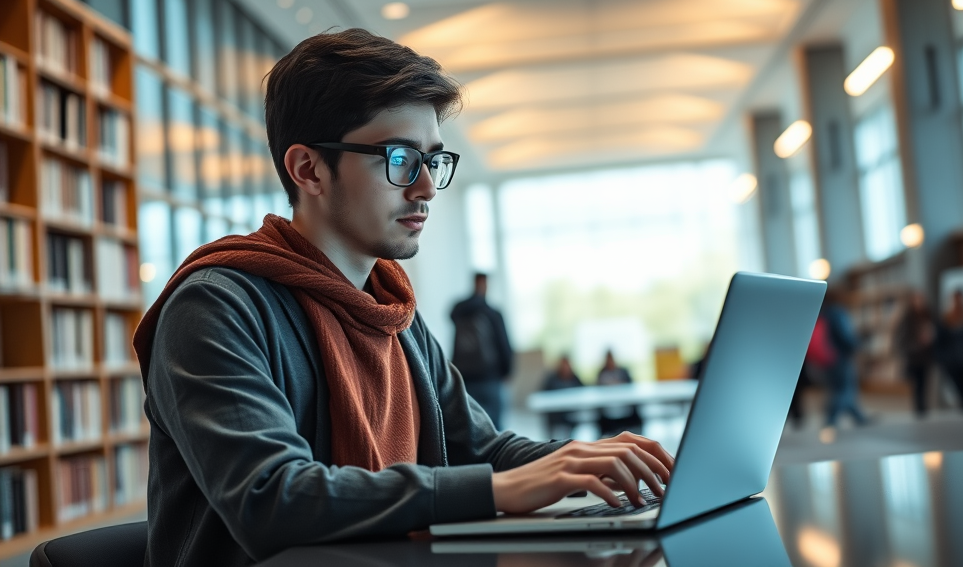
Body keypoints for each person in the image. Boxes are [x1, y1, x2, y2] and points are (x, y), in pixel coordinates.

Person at [133, 29, 674, 566]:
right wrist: (496, 490)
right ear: (309, 169)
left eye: (432, 160)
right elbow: (272, 498)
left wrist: (590, 460)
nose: (426, 188)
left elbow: (482, 450)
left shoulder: (391, 307)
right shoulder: (215, 309)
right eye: (399, 159)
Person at [450, 273, 513, 428]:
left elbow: (450, 315)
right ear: (485, 285)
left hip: (466, 379)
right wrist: (507, 371)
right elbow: (504, 343)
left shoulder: (460, 311)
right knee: (496, 428)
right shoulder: (493, 313)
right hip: (490, 378)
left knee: (473, 427)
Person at [819, 288, 869, 429]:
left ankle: (858, 416)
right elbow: (845, 336)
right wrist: (857, 345)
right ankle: (830, 420)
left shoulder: (824, 312)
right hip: (841, 357)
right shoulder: (838, 312)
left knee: (840, 388)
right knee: (844, 390)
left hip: (828, 357)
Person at [895, 291, 935, 417]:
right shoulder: (907, 318)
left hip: (926, 357)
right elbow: (902, 340)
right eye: (917, 300)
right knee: (917, 387)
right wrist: (918, 343)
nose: (919, 302)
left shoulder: (929, 315)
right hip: (913, 358)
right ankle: (919, 412)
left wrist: (930, 338)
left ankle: (924, 410)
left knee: (925, 386)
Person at [596, 350, 644, 437]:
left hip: (625, 408)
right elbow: (597, 388)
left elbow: (631, 386)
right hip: (608, 411)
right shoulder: (601, 373)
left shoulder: (623, 371)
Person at [541, 355, 585, 439]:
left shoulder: (574, 377)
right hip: (556, 413)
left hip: (571, 411)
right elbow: (543, 393)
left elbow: (583, 390)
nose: (565, 367)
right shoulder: (552, 378)